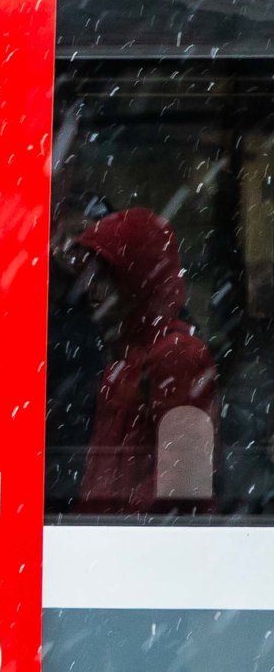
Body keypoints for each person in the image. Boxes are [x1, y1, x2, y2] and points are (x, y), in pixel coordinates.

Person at [56, 207, 218, 513]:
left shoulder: (176, 356)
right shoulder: (126, 356)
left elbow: (183, 478)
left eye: (104, 279)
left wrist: (115, 524)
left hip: (147, 545)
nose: (92, 292)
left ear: (138, 281)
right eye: (89, 278)